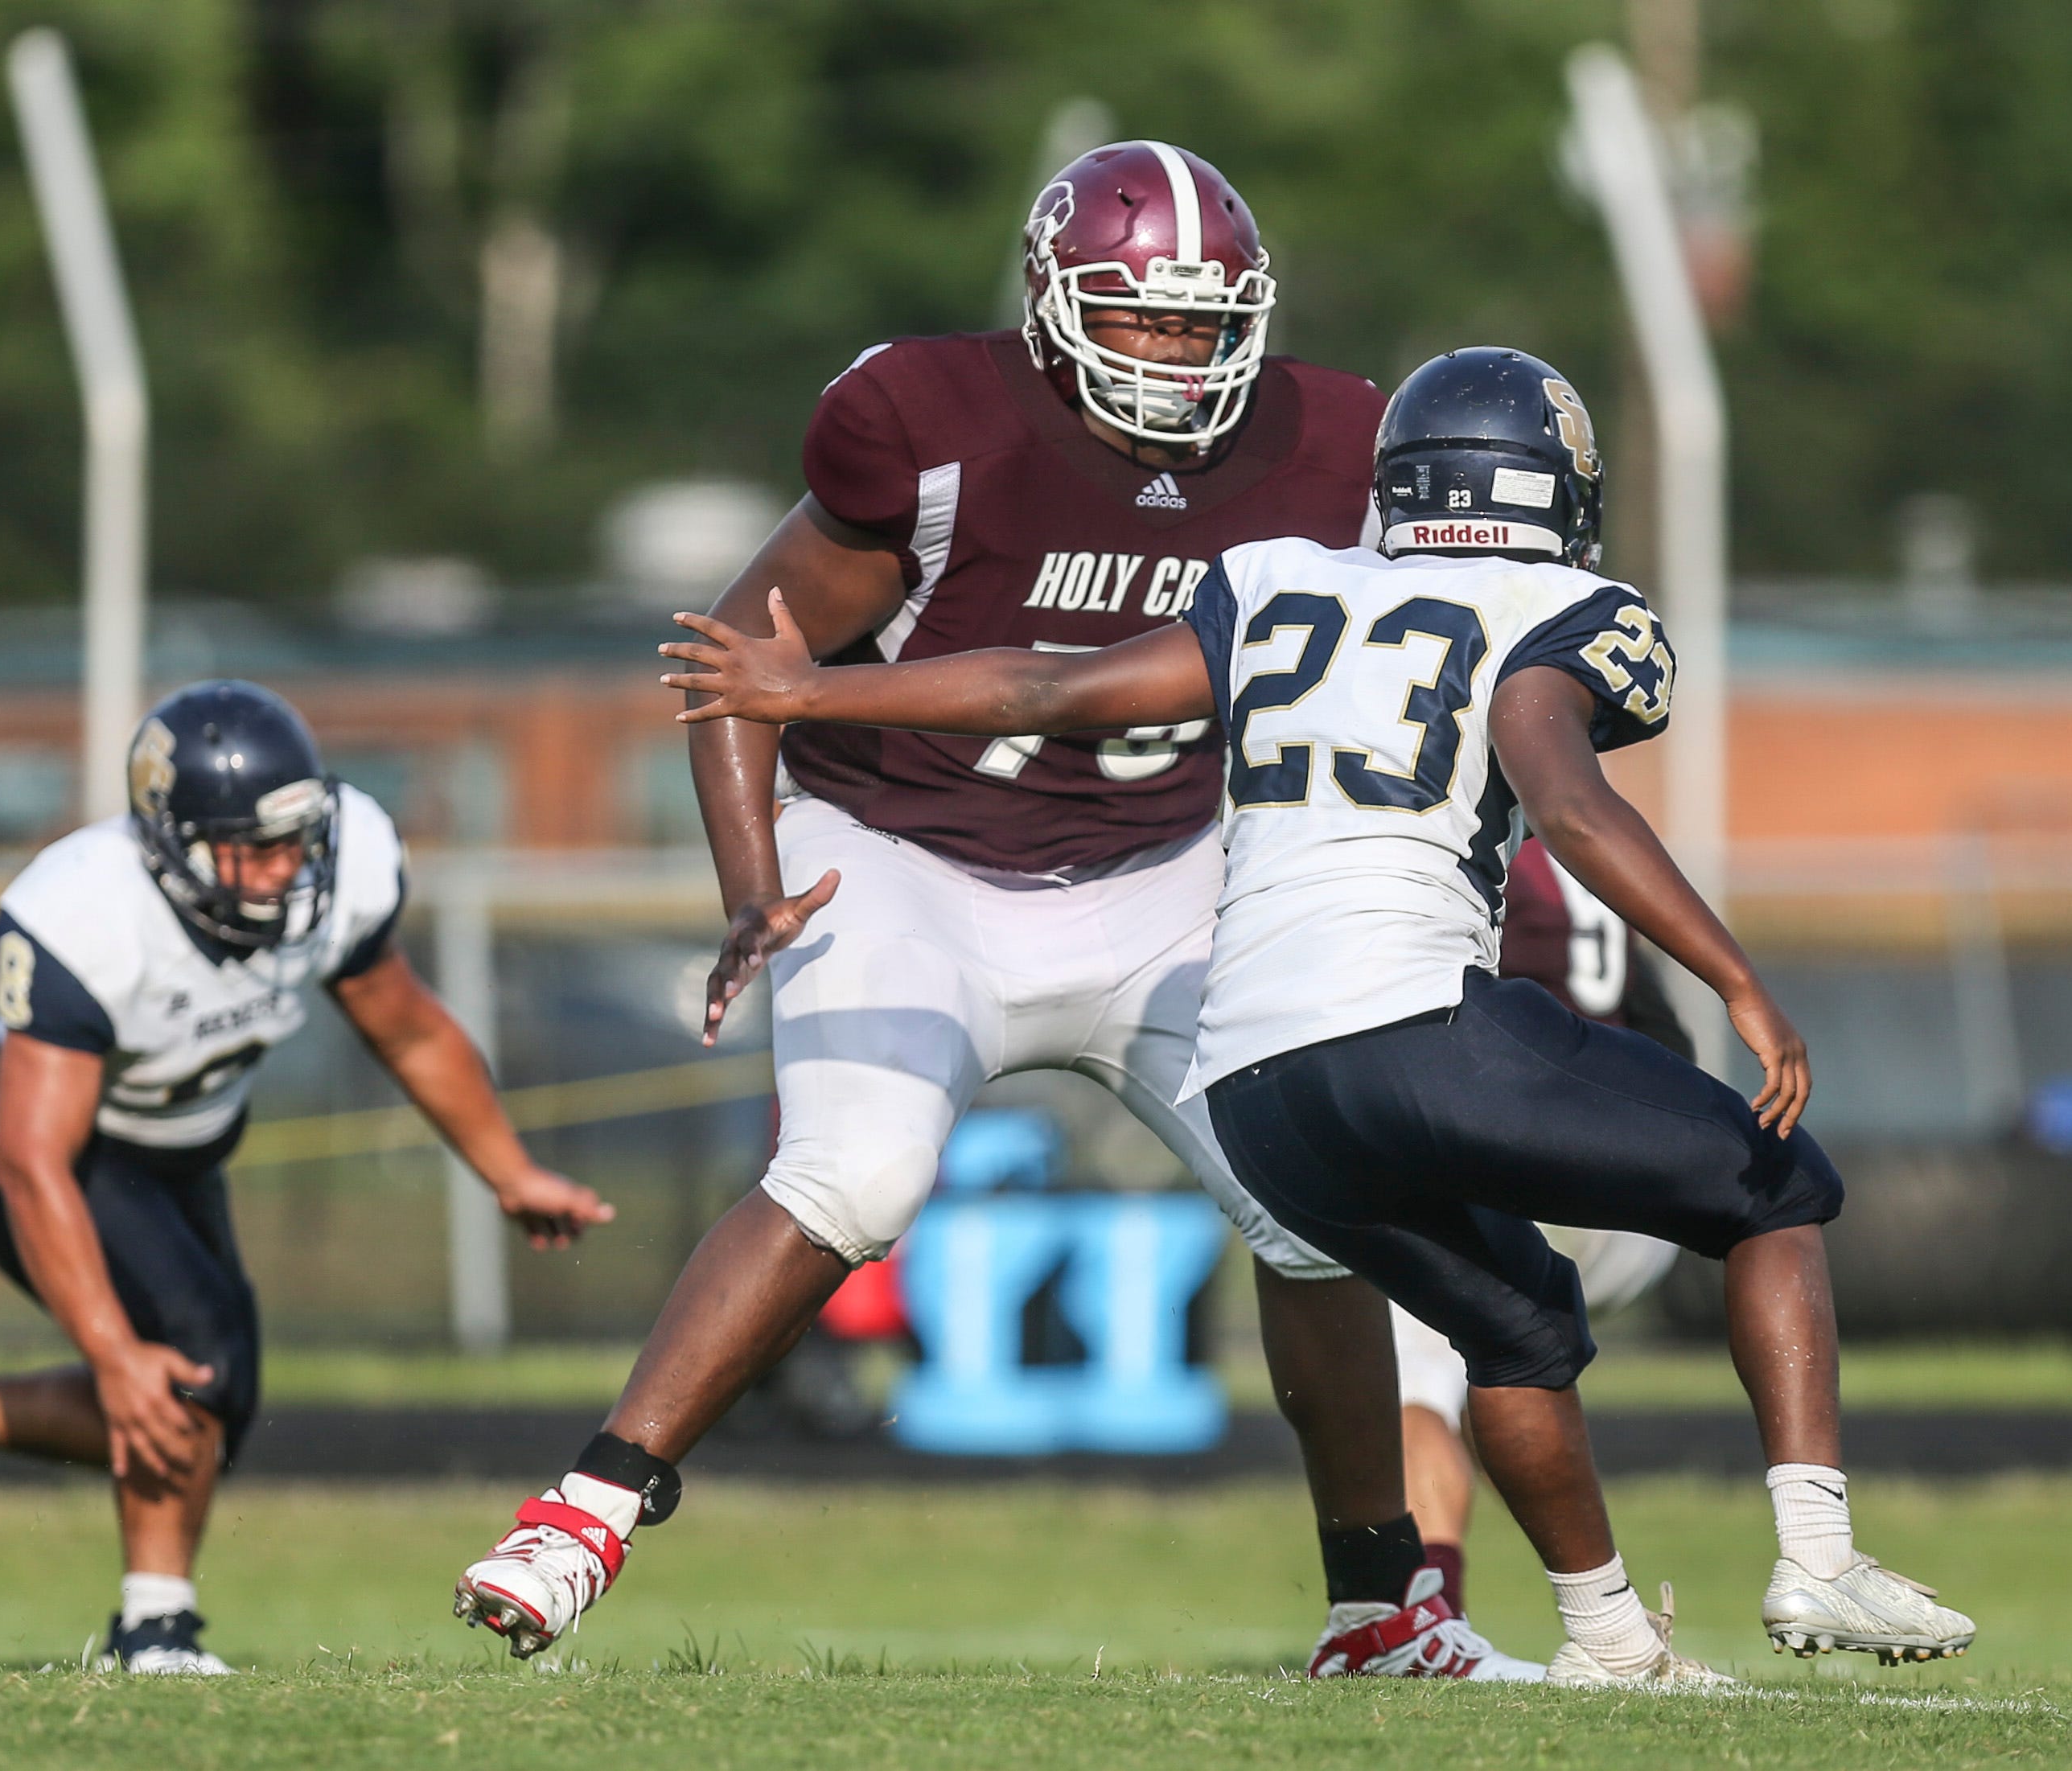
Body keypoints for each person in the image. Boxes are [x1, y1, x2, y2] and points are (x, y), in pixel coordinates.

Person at [660, 346, 1977, 1685]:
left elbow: (1044, 691)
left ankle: (1608, 1641)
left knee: (1514, 1324)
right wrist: (1735, 978)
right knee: (1771, 1188)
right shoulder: (1559, 606)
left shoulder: (1276, 582)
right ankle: (1817, 1556)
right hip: (1415, 1023)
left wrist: (809, 687)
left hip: (1251, 1086)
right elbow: (1565, 799)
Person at [457, 141, 1534, 1681]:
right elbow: (734, 672)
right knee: (858, 1169)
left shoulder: (1330, 442)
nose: (1171, 349)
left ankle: (1378, 1609)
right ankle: (583, 1511)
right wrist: (749, 889)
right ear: (1050, 300)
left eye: (1199, 319)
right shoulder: (928, 422)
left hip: (1165, 871)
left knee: (1318, 1196)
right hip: (902, 851)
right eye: (1139, 314)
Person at [0, 680, 611, 1674]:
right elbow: (28, 1157)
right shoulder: (84, 914)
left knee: (214, 1394)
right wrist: (107, 1349)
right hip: (64, 1165)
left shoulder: (340, 864)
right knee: (182, 1376)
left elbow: (406, 1025)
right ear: (171, 841)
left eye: (295, 842)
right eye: (252, 847)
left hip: (188, 1150)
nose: (281, 872)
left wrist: (509, 1171)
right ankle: (153, 1629)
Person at [1395, 837, 1686, 1615]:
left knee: (1413, 1388)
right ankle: (1603, 1603)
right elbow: (1669, 1043)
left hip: (1519, 1167)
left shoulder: (1463, 844)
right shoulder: (1581, 852)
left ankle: (1426, 1620)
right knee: (1501, 1374)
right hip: (1628, 1207)